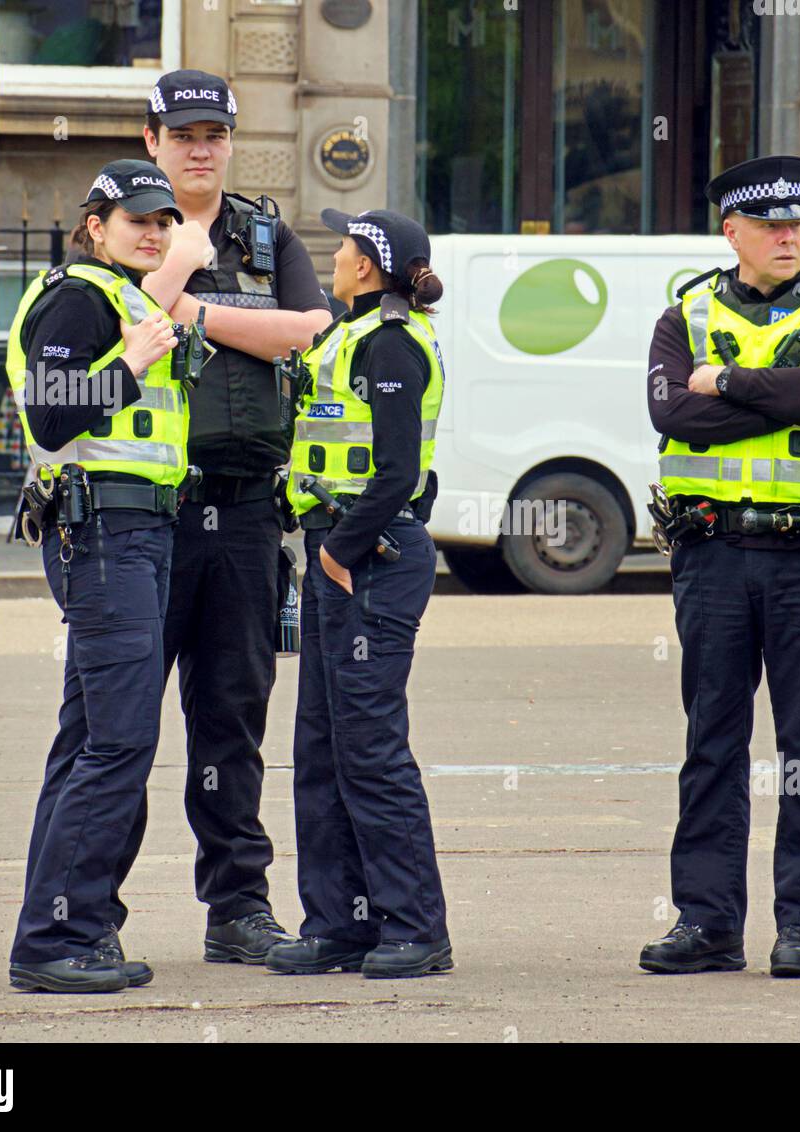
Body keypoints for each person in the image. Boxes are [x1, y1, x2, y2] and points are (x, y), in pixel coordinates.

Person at [639, 157, 800, 979]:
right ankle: (707, 924)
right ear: (731, 231)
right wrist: (779, 390)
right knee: (713, 743)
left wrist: (730, 384)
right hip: (712, 552)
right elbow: (673, 412)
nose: (788, 236)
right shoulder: (687, 312)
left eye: (797, 224)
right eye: (771, 226)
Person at [126, 69, 333, 965]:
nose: (200, 148)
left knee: (234, 720)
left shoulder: (265, 229)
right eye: (184, 134)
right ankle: (85, 908)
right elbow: (128, 317)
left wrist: (197, 309)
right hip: (151, 514)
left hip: (248, 511)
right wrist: (246, 319)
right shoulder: (131, 226)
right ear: (152, 141)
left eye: (214, 133)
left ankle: (238, 908)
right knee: (118, 721)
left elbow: (311, 331)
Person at [7, 160, 189, 992]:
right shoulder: (80, 297)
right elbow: (49, 414)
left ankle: (73, 926)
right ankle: (56, 942)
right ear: (95, 225)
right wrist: (135, 362)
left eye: (162, 222)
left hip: (133, 533)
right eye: (136, 222)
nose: (153, 234)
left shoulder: (130, 297)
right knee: (119, 741)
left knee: (89, 739)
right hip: (104, 534)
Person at [264, 208, 452, 980]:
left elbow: (398, 470)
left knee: (371, 750)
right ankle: (338, 924)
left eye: (343, 246)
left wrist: (338, 551)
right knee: (321, 747)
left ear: (368, 266)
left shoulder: (391, 342)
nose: (332, 254)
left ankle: (415, 928)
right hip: (340, 552)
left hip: (371, 553)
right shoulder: (350, 335)